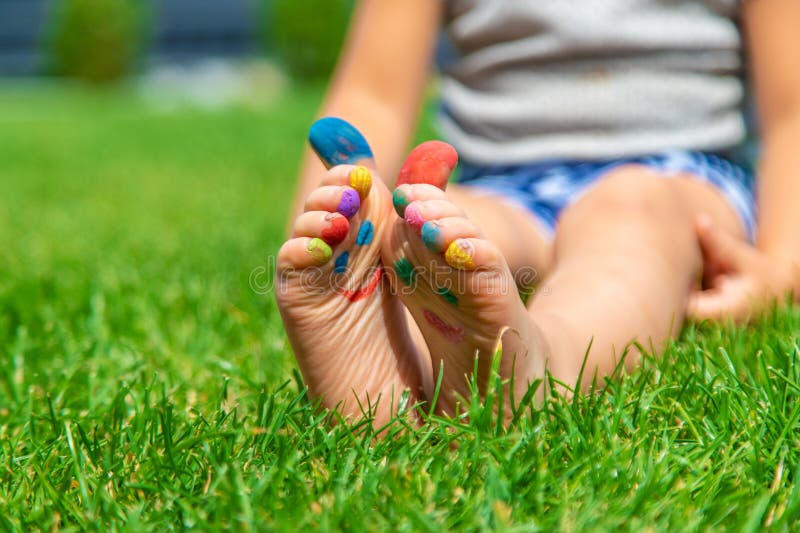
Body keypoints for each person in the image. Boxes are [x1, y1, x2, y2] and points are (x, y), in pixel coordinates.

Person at [275, 0, 800, 427]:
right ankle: (398, 369)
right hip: (503, 184)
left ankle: (547, 362)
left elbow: (791, 115)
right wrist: (339, 223)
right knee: (433, 224)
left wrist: (781, 264)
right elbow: (373, 94)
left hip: (672, 174)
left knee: (629, 220)